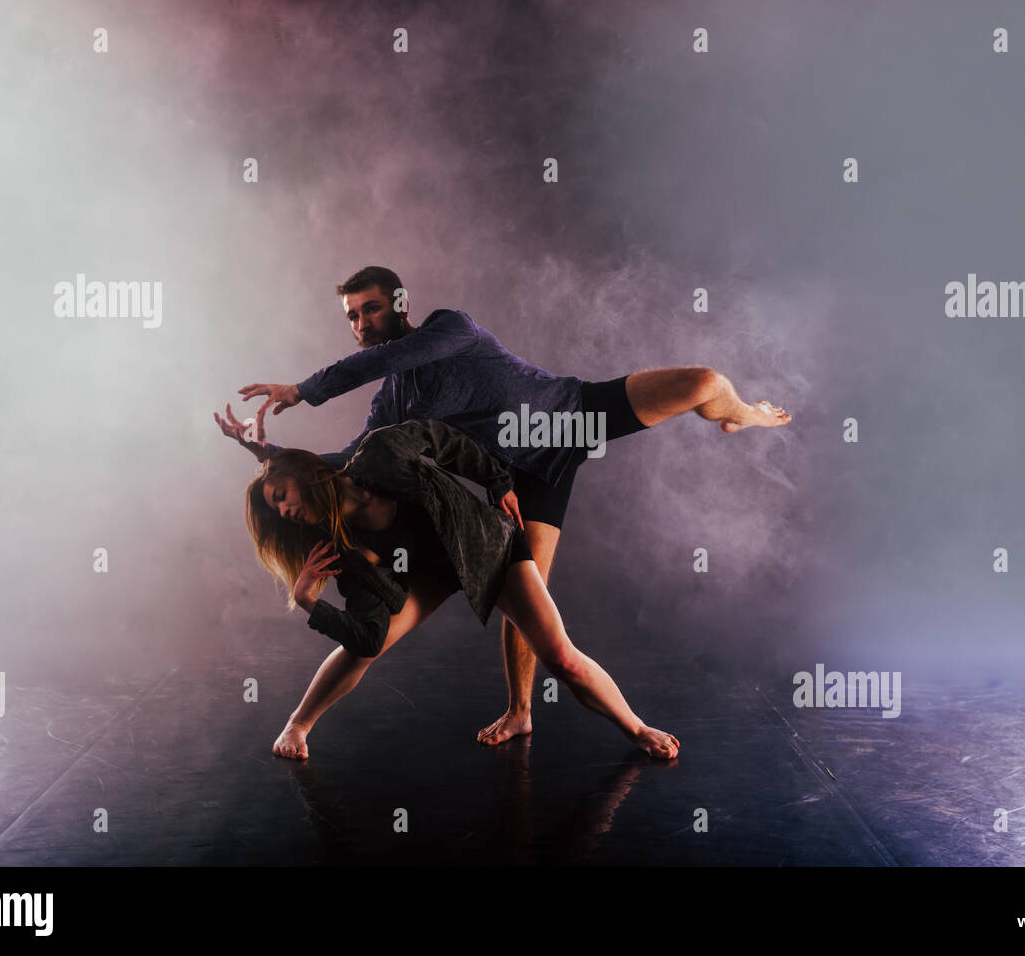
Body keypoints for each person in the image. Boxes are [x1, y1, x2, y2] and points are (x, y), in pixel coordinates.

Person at [220, 264, 791, 748]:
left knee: (705, 381)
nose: (360, 324)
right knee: (529, 603)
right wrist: (268, 454)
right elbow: (345, 461)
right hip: (520, 479)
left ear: (398, 304)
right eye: (350, 316)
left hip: (569, 415)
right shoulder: (393, 398)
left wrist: (304, 388)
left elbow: (384, 360)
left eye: (368, 310)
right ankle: (521, 711)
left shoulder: (449, 329)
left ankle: (745, 413)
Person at [243, 416, 681, 761]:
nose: (283, 510)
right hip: (428, 575)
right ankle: (298, 725)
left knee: (561, 657)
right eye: (275, 508)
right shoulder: (343, 543)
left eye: (281, 495)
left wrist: (497, 480)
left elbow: (441, 438)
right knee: (363, 651)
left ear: (303, 471)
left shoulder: (380, 452)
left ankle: (637, 728)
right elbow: (369, 634)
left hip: (484, 546)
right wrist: (309, 603)